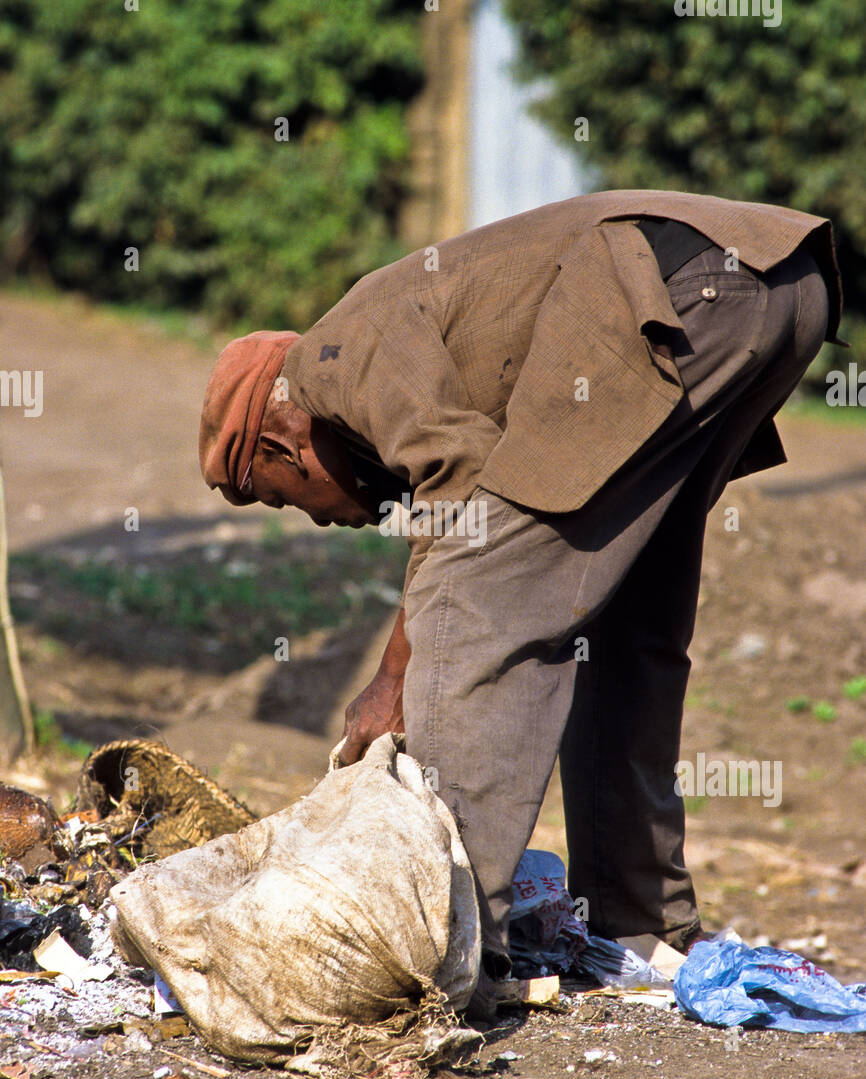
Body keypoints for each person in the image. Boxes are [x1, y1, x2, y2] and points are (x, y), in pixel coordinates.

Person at [199, 188, 842, 1012]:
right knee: (620, 616)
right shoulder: (369, 349)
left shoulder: (334, 358)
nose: (324, 517)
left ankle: (445, 946)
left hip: (687, 292)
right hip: (781, 283)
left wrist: (397, 676)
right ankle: (639, 925)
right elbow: (462, 486)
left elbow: (462, 500)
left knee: (474, 607)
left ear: (282, 439)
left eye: (290, 498)